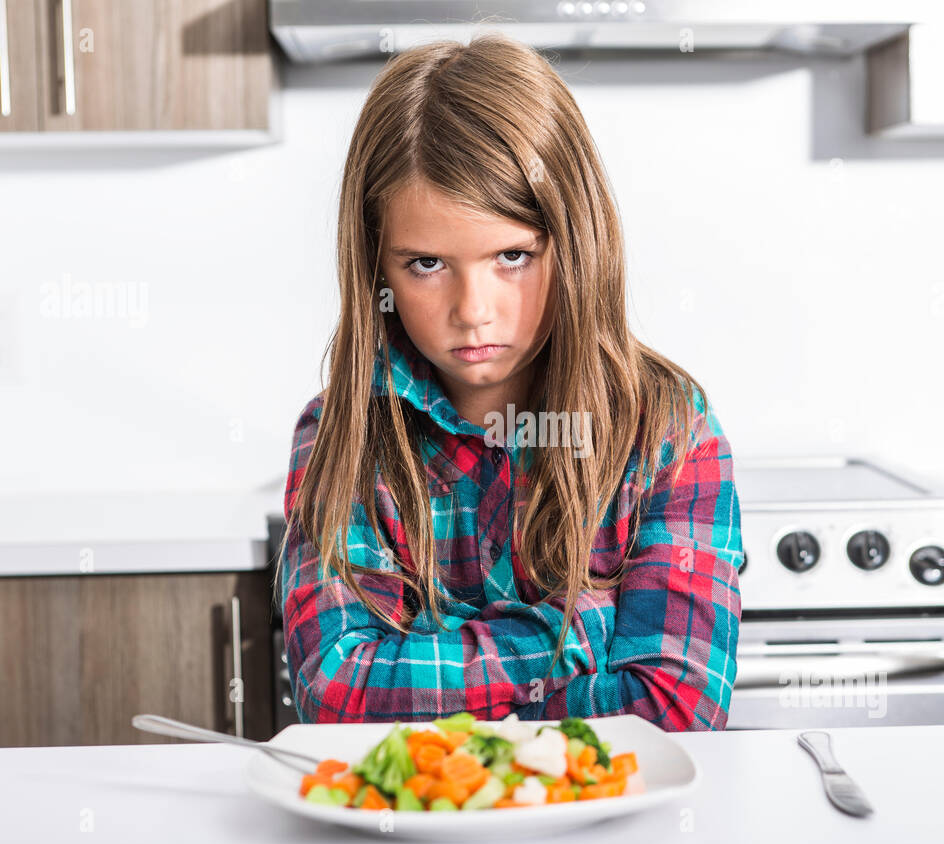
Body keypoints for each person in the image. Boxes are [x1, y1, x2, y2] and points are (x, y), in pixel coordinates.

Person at [277, 32, 742, 731]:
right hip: (407, 838)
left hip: (611, 840)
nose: (474, 311)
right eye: (426, 265)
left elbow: (673, 708)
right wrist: (576, 635)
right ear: (377, 266)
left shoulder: (667, 430)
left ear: (576, 239)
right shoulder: (341, 434)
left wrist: (437, 687)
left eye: (513, 255)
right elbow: (338, 695)